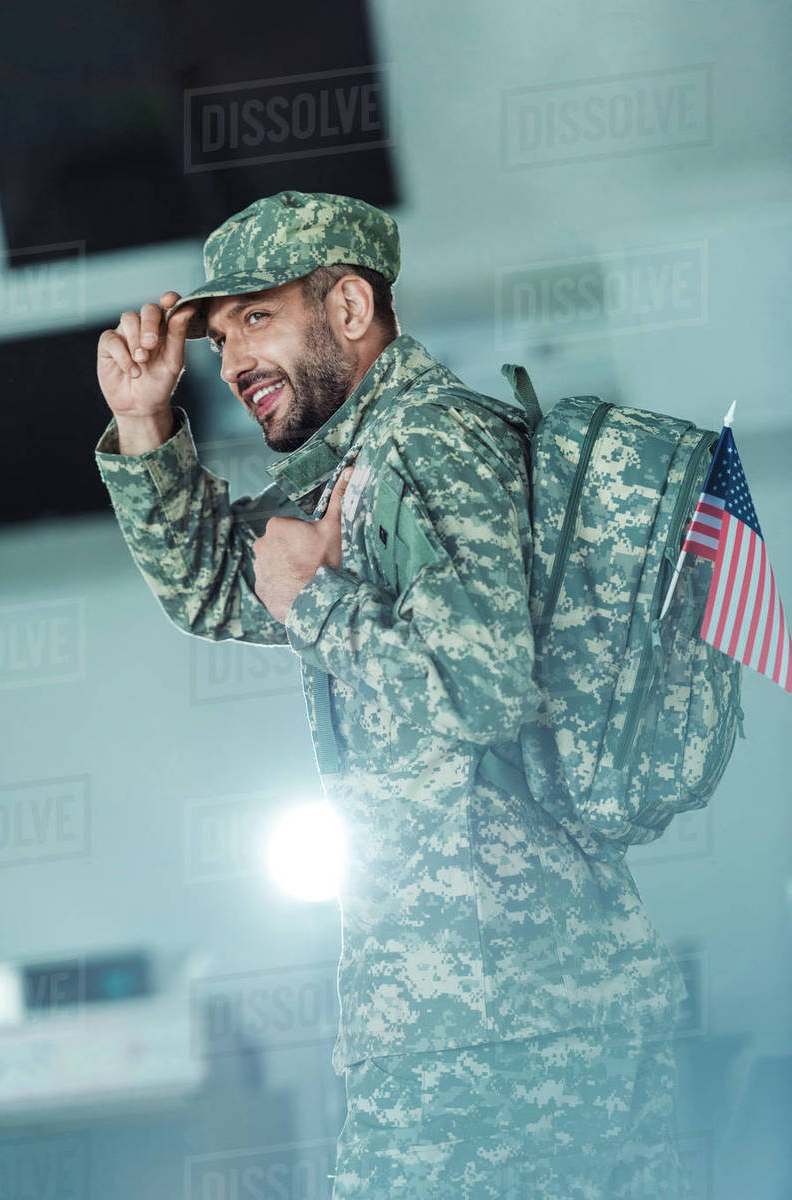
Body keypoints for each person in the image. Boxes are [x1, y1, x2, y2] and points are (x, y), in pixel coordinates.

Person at [94, 190, 692, 1198]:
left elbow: (484, 689)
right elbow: (212, 588)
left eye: (257, 318)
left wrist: (315, 599)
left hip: (500, 1019)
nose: (231, 362)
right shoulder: (361, 469)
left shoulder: (430, 442)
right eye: (220, 338)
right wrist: (145, 421)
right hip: (497, 1008)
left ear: (350, 308)